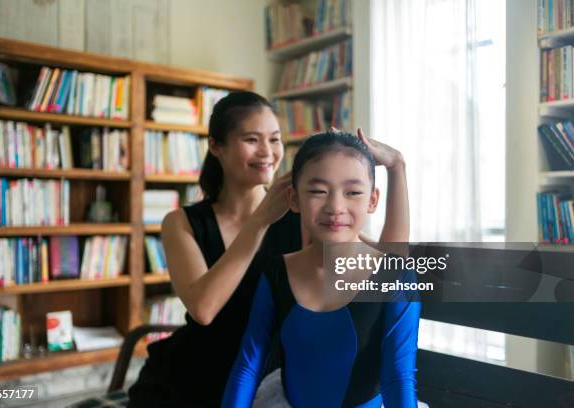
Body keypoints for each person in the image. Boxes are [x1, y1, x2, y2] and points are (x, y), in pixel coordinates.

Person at [128, 92, 410, 407]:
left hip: (270, 376)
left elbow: (390, 262)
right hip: (196, 375)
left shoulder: (304, 214)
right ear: (216, 146)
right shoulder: (181, 222)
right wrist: (261, 219)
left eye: (274, 140)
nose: (267, 152)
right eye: (252, 139)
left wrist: (396, 168)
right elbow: (203, 309)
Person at [221, 131, 420, 408]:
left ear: (373, 200)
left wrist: (397, 165)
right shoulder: (276, 271)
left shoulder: (394, 275)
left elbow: (398, 377)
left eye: (353, 192)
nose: (335, 207)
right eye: (318, 191)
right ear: (294, 199)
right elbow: (248, 365)